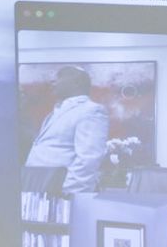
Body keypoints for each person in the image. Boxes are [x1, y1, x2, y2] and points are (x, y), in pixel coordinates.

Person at [24, 65, 108, 194]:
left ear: (77, 82)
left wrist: (66, 192)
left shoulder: (91, 110)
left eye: (59, 76)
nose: (53, 81)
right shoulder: (57, 110)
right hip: (37, 189)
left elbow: (88, 160)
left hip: (58, 193)